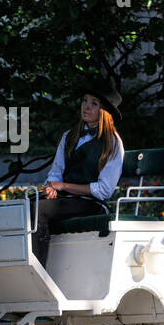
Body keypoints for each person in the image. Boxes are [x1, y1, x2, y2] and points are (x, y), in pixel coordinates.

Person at [31, 80, 125, 265]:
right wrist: (52, 188)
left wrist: (65, 186)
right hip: (65, 200)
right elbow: (56, 173)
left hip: (92, 203)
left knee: (37, 210)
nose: (86, 107)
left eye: (94, 103)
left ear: (104, 111)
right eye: (84, 101)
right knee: (23, 206)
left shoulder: (112, 142)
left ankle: (38, 271)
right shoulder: (69, 136)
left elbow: (104, 190)